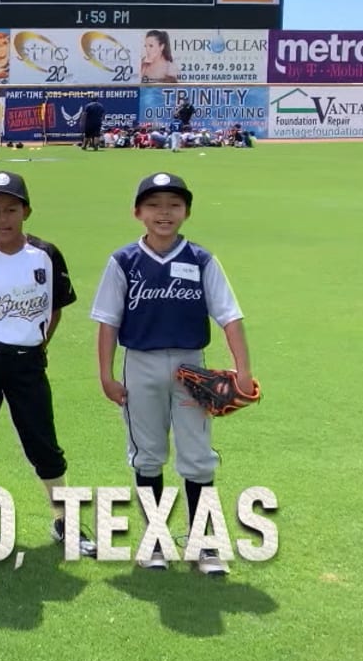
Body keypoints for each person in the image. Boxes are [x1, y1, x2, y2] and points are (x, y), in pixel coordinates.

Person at [89, 172, 252, 577]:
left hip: (190, 365)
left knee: (197, 456)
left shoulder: (200, 259)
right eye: (155, 205)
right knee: (147, 454)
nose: (164, 213)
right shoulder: (123, 260)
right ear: (138, 212)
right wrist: (106, 375)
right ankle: (155, 540)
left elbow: (229, 316)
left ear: (187, 212)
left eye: (174, 205)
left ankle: (204, 545)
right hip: (140, 362)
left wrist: (243, 369)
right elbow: (108, 322)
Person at [0, 171, 98, 559]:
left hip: (28, 363)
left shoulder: (46, 255)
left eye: (11, 210)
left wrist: (37, 344)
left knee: (43, 443)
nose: (3, 219)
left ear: (26, 211)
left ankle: (64, 521)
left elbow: (54, 309)